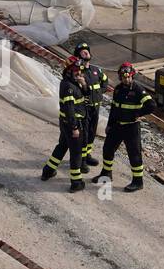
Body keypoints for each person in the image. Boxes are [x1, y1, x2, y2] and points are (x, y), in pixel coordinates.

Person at [93, 62, 154, 191]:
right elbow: (114, 108)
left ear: (132, 76)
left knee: (134, 154)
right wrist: (109, 125)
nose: (126, 79)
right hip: (117, 126)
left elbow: (151, 105)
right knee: (108, 149)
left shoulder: (138, 89)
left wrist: (138, 114)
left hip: (131, 128)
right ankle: (106, 174)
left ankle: (138, 182)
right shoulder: (118, 89)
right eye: (124, 77)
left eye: (128, 77)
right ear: (120, 77)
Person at [41, 56, 89, 193]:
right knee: (76, 153)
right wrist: (74, 128)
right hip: (72, 124)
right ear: (69, 71)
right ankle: (76, 182)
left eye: (80, 71)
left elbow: (87, 94)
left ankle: (48, 170)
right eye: (76, 71)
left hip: (67, 123)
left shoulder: (75, 82)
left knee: (62, 146)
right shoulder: (68, 86)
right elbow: (69, 109)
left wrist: (84, 83)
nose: (79, 74)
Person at [74, 41, 107, 168]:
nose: (86, 51)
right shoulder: (78, 72)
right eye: (82, 51)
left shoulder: (96, 70)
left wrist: (99, 92)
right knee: (85, 133)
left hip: (96, 107)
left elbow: (105, 82)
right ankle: (81, 160)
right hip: (85, 108)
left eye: (87, 50)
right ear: (79, 56)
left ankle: (87, 155)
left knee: (92, 132)